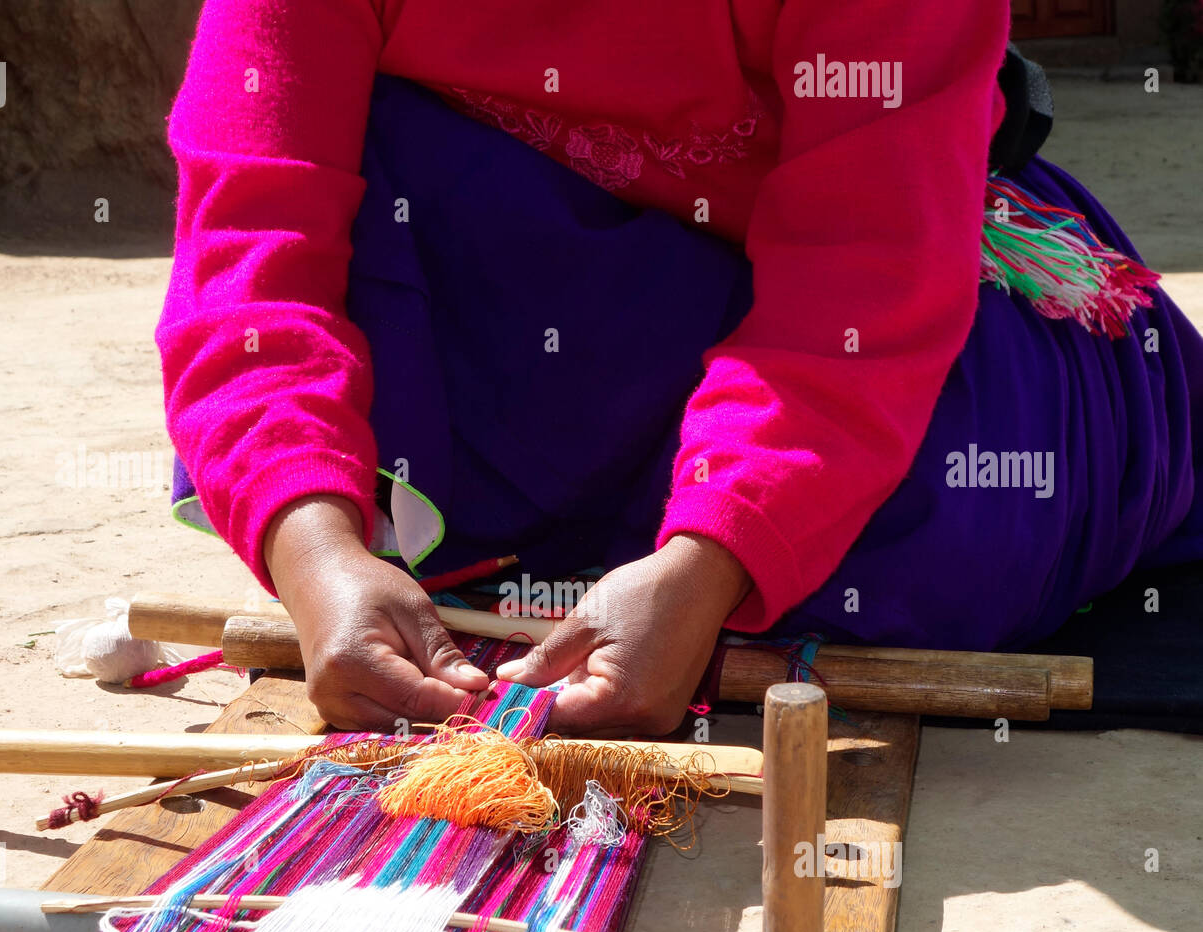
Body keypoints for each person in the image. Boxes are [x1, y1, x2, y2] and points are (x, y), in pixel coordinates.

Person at [157, 1, 1203, 734]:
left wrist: (713, 558)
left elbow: (862, 285)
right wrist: (317, 555)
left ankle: (634, 557)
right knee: (396, 184)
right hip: (570, 315)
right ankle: (511, 545)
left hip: (854, 297)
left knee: (941, 530)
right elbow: (253, 255)